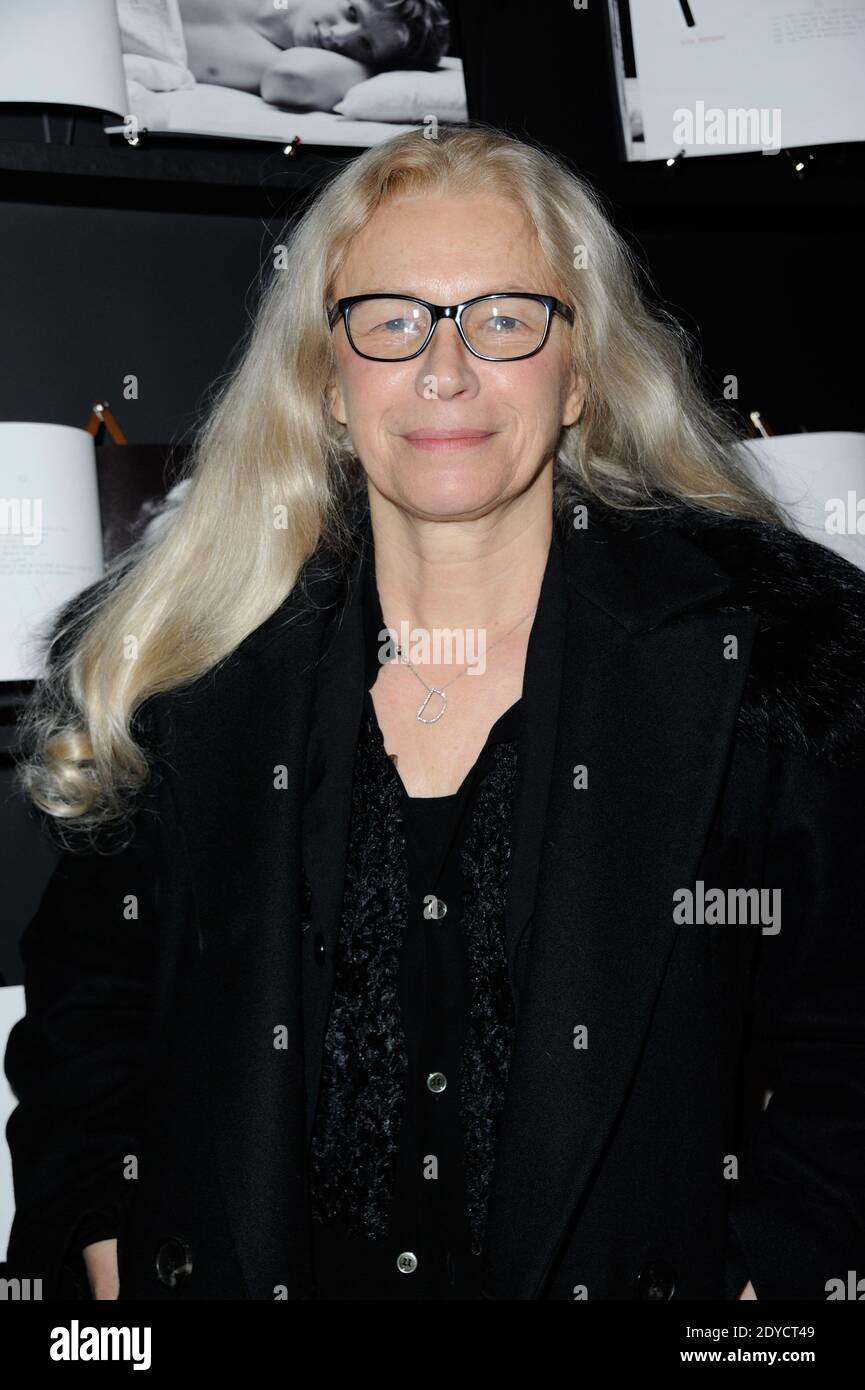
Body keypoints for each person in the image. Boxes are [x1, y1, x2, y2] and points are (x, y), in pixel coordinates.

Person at [4, 121, 865, 1301]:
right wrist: (104, 1244)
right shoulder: (186, 672)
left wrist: (765, 1305)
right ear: (327, 380)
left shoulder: (758, 668)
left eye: (503, 317)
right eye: (393, 318)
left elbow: (843, 1046)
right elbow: (86, 1020)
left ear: (578, 374)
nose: (444, 369)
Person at [176, 0, 451, 113]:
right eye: (352, 12)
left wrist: (381, 72)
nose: (340, 36)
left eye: (365, 44)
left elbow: (291, 77)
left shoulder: (277, 60)